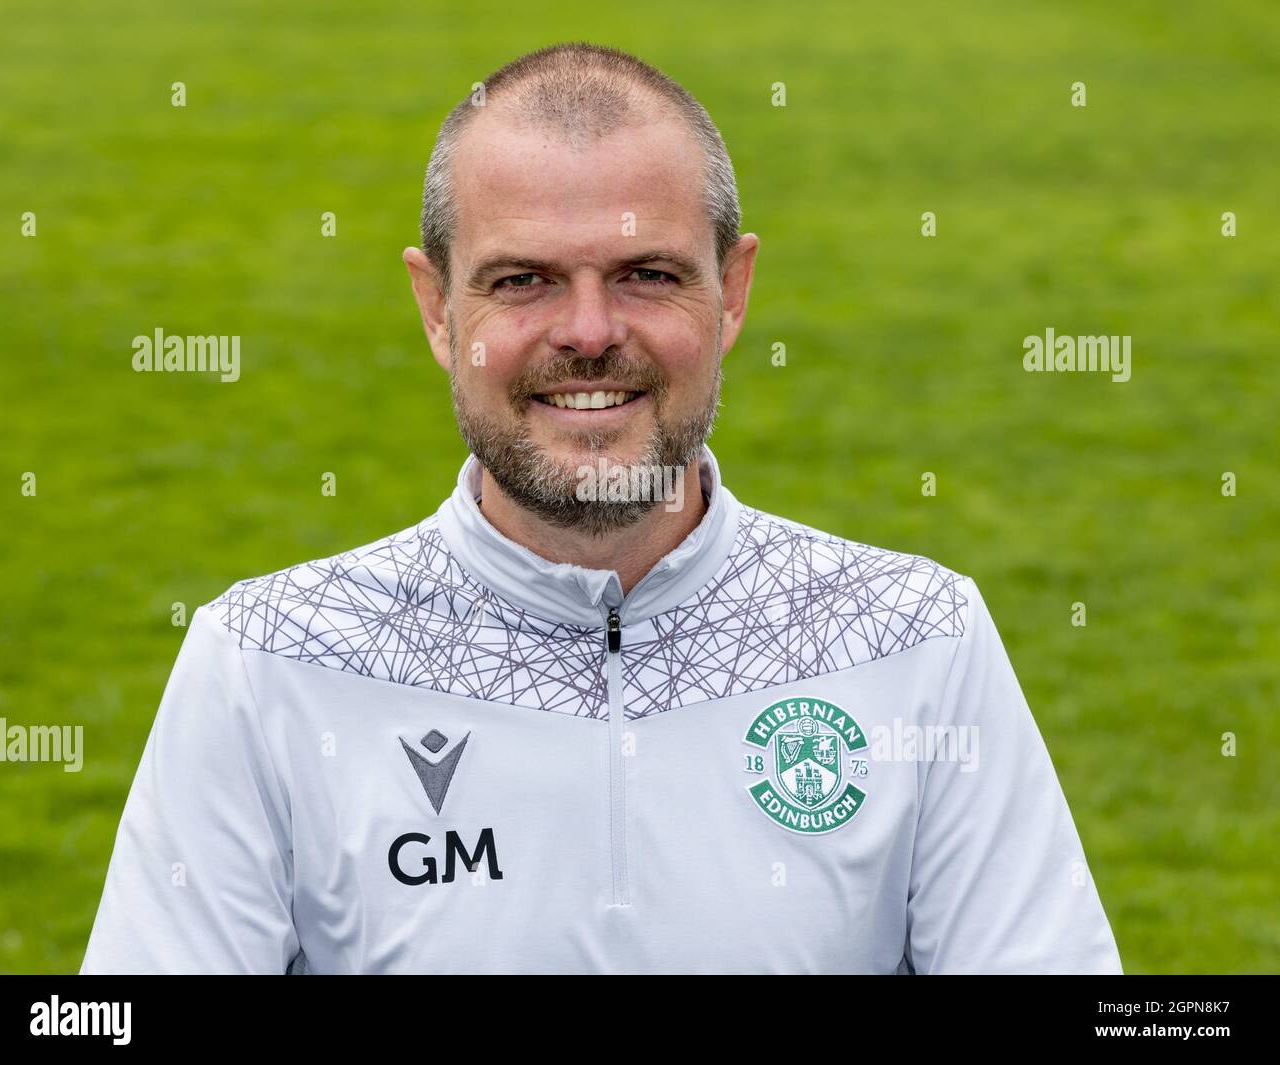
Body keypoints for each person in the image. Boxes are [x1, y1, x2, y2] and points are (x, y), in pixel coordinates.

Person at [81, 42, 1122, 974]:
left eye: (647, 275)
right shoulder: (269, 665)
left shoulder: (914, 642)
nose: (586, 331)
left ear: (734, 291)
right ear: (438, 308)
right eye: (523, 279)